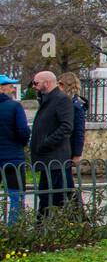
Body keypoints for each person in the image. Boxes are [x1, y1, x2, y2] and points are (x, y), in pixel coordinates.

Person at [29, 71, 73, 218]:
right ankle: (46, 224)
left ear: (46, 83)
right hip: (48, 158)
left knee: (53, 194)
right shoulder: (47, 99)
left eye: (36, 83)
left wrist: (46, 143)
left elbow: (66, 127)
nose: (34, 86)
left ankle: (43, 226)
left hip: (55, 157)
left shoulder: (61, 99)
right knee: (50, 194)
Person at [0, 74, 30, 224]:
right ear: (1, 88)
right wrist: (22, 143)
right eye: (9, 85)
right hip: (12, 157)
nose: (12, 89)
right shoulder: (14, 106)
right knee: (16, 195)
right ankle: (13, 228)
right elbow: (23, 132)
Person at [58, 73, 86, 176]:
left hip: (69, 146)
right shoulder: (65, 102)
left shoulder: (76, 105)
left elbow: (79, 131)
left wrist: (77, 153)